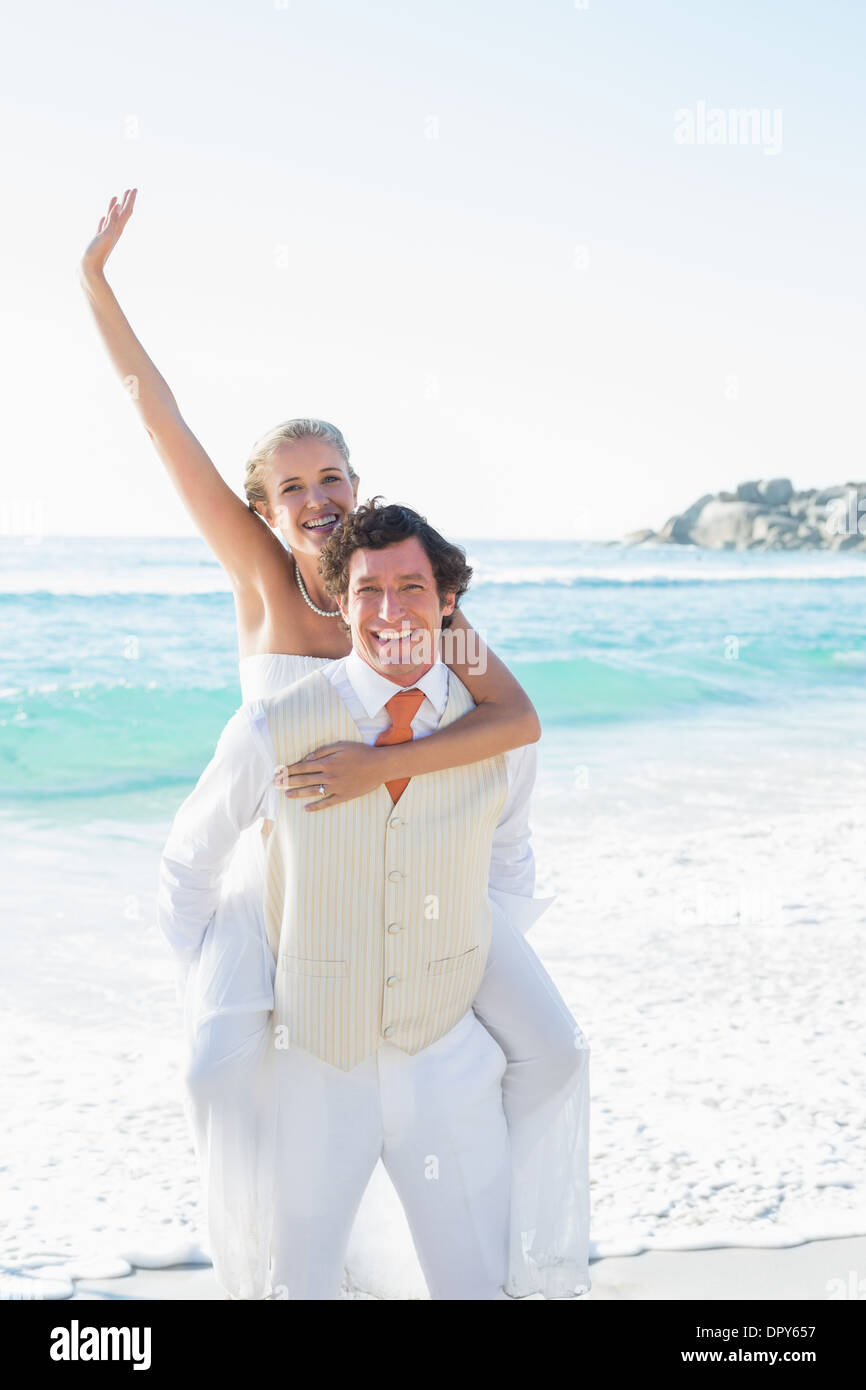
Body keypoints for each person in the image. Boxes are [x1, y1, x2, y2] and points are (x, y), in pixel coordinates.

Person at [79, 189, 590, 1299]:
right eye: (293, 485)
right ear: (264, 507)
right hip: (284, 874)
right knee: (217, 1068)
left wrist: (387, 776)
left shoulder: (410, 599)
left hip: (419, 868)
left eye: (332, 478)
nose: (315, 497)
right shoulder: (261, 578)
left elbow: (512, 722)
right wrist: (96, 283)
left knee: (543, 1048)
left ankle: (510, 1246)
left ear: (359, 485)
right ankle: (279, 1254)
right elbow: (161, 420)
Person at [158, 502, 590, 1299]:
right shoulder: (269, 729)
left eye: (411, 588)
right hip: (316, 1065)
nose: (389, 612)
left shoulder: (494, 734)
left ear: (447, 598)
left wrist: (459, 965)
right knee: (299, 1290)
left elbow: (507, 861)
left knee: (478, 1288)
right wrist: (209, 988)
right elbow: (189, 863)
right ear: (339, 600)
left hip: (445, 1061)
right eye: (366, 591)